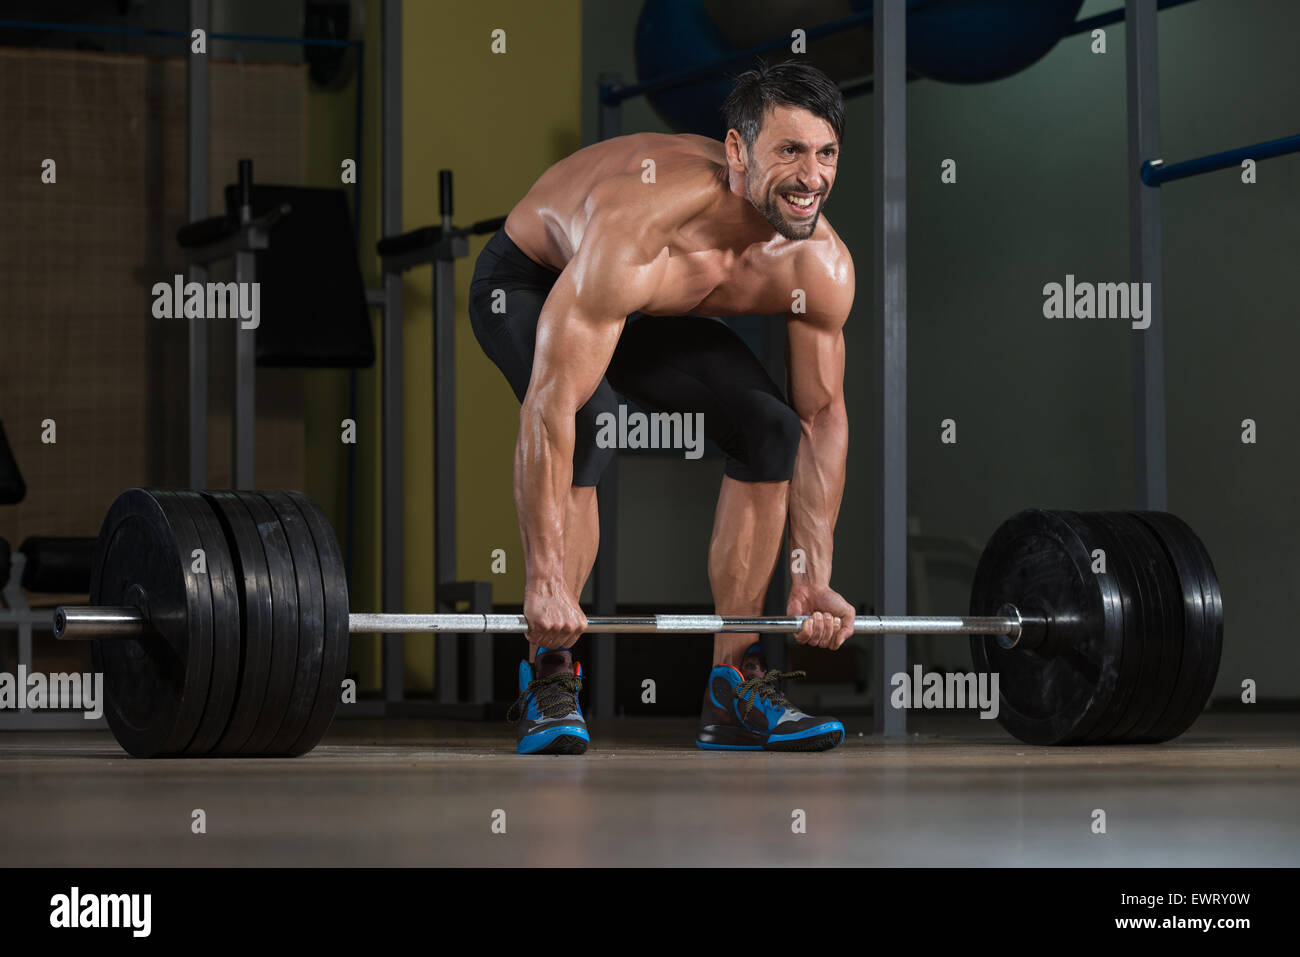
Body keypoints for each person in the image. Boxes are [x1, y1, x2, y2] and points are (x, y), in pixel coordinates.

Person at [469, 62, 856, 755]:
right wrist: (542, 577)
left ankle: (733, 684)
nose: (811, 177)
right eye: (790, 151)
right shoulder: (642, 222)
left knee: (769, 425)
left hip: (654, 306)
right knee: (590, 418)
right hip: (537, 279)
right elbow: (551, 404)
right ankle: (550, 672)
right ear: (738, 151)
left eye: (825, 153)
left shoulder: (818, 264)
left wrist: (811, 575)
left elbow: (821, 416)